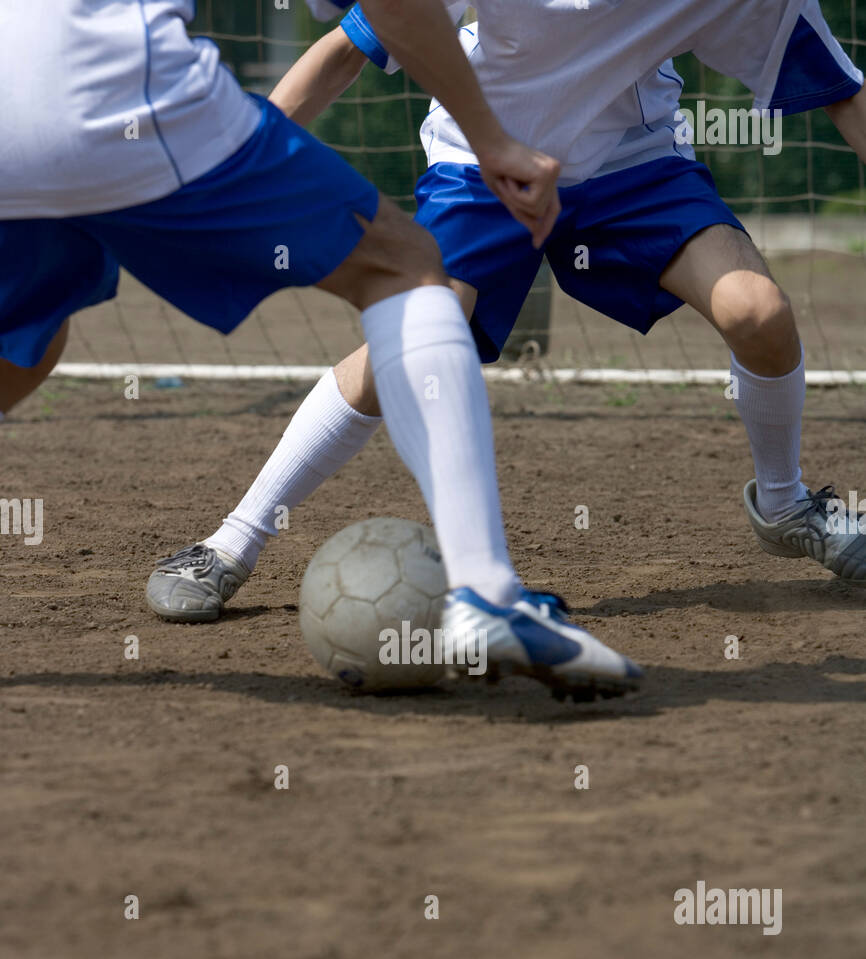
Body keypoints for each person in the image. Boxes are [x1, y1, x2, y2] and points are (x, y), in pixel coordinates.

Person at [145, 0, 866, 633]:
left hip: (633, 168)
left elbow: (836, 88)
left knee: (758, 311)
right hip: (482, 166)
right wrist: (236, 177)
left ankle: (785, 505)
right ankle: (231, 541)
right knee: (410, 345)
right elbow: (344, 50)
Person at [0, 0, 646, 700]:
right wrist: (491, 138)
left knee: (24, 345)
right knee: (402, 265)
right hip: (112, 84)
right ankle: (486, 594)